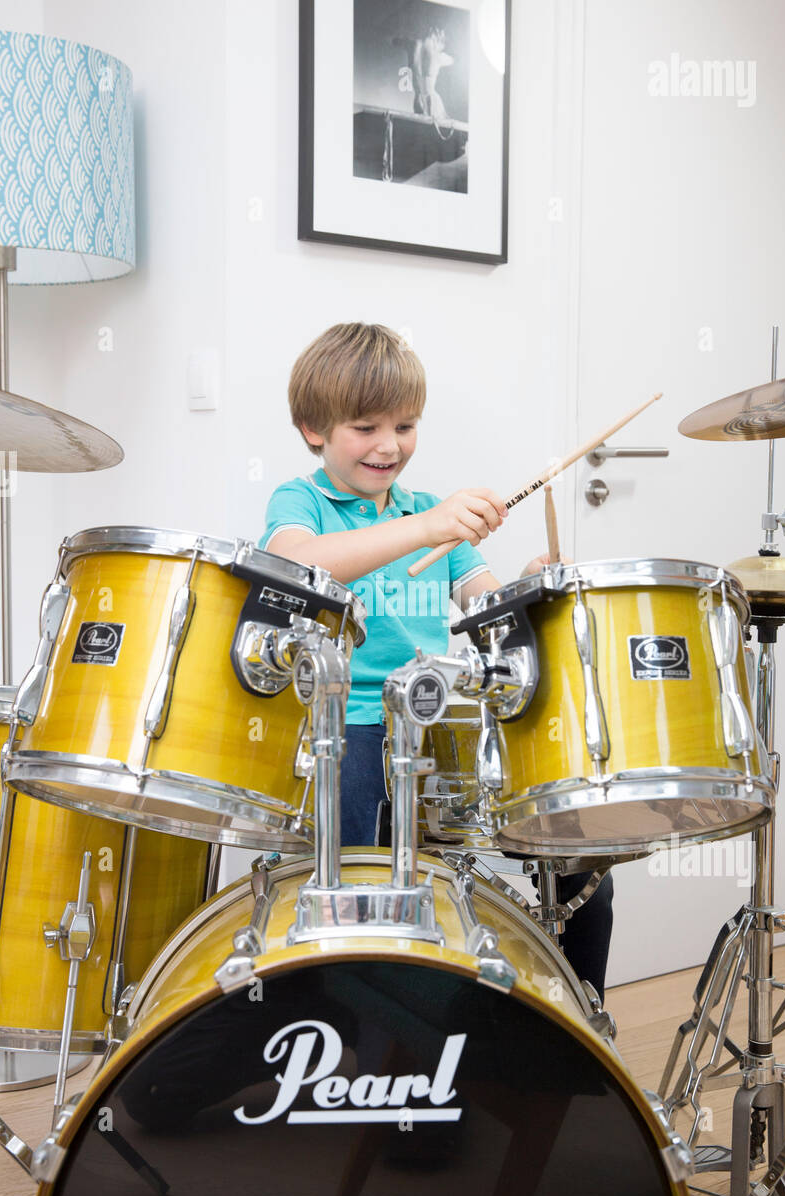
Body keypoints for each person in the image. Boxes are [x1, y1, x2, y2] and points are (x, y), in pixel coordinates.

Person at [262, 322, 613, 1000]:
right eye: (365, 427)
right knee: (360, 890)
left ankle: (575, 1028)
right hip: (350, 725)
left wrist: (529, 586)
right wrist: (426, 526)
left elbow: (489, 609)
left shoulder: (433, 514)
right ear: (314, 429)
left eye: (405, 425)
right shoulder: (302, 503)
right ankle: (352, 1018)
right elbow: (292, 564)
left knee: (580, 864)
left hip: (439, 728)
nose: (389, 445)